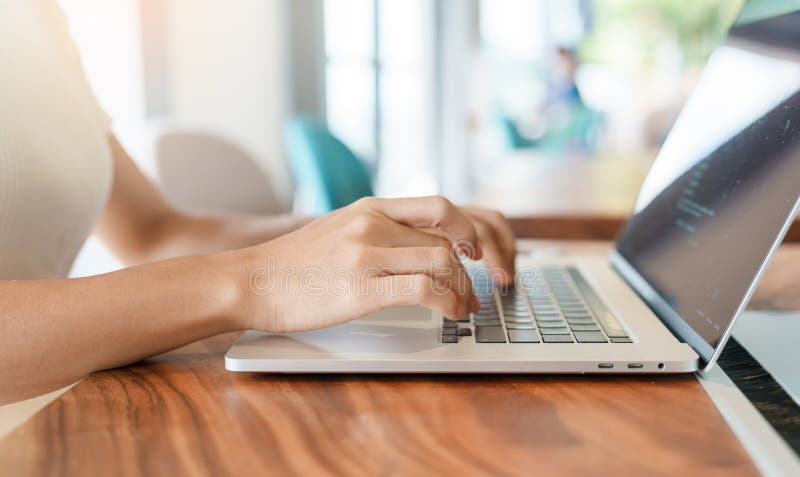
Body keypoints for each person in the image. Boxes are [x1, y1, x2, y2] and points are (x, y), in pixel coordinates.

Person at [0, 2, 517, 404]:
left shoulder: (40, 16)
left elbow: (153, 233)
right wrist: (256, 280)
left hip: (66, 406)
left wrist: (359, 237)